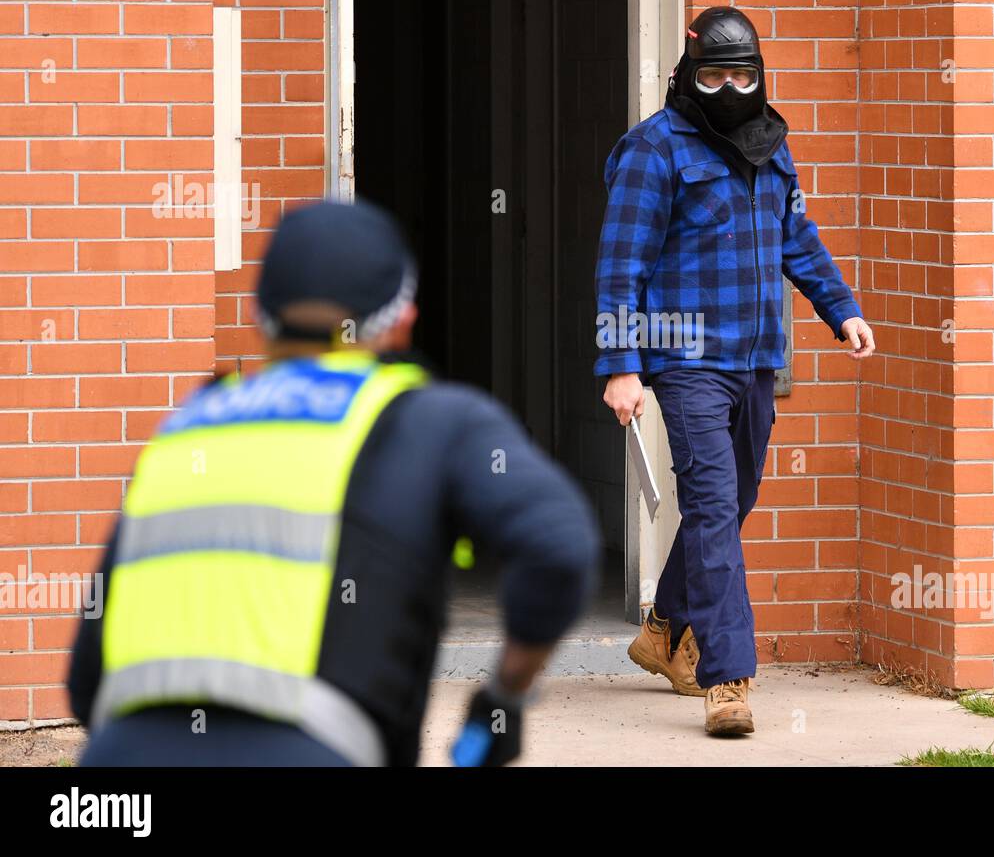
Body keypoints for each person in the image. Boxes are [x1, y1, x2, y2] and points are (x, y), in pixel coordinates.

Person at [68, 199, 601, 766]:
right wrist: (504, 696)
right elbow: (559, 548)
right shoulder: (429, 421)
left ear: (257, 316)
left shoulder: (184, 431)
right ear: (402, 320)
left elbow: (85, 681)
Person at [594, 6, 875, 735]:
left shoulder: (768, 146)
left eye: (741, 74)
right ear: (689, 73)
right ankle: (727, 680)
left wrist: (840, 308)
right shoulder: (653, 149)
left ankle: (661, 632)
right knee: (714, 508)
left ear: (758, 75)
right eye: (713, 73)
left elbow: (799, 239)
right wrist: (621, 365)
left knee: (735, 499)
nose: (728, 87)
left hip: (754, 357)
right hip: (684, 359)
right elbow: (619, 267)